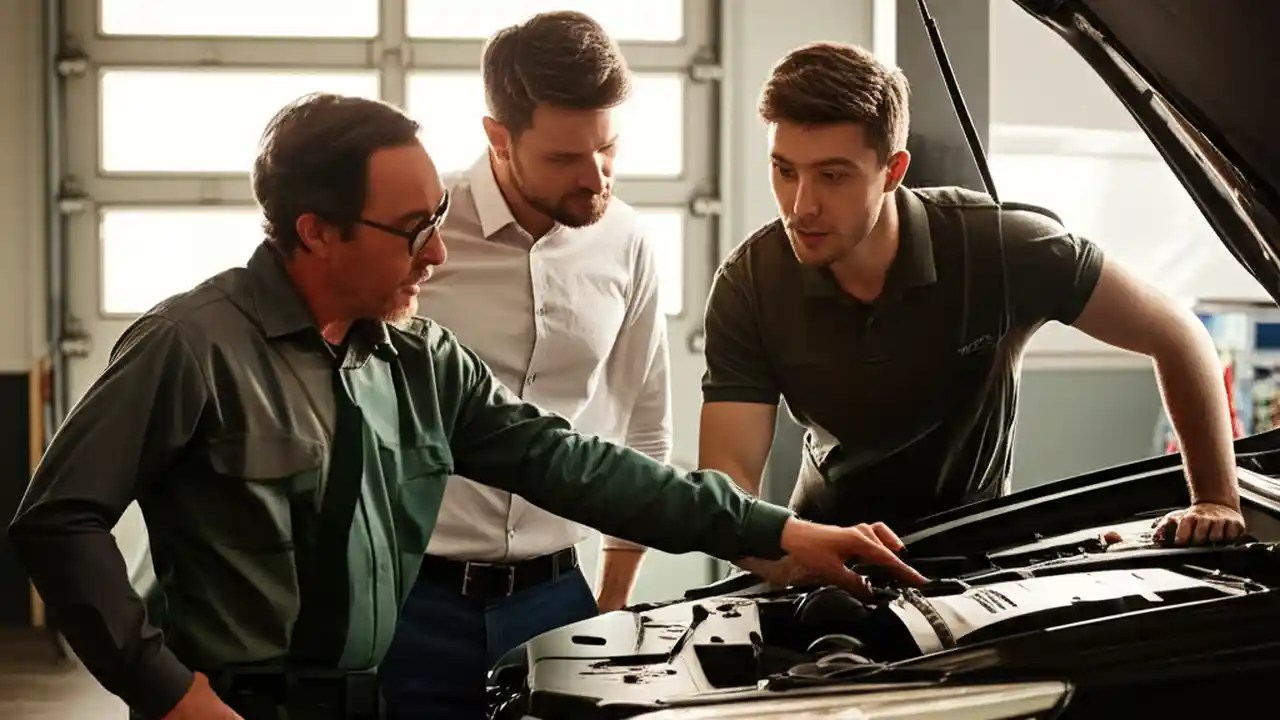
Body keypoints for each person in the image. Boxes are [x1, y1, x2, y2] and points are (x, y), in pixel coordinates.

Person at [7, 92, 926, 720]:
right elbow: (59, 520)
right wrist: (166, 692)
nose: (437, 256)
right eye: (414, 232)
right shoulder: (191, 345)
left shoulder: (418, 359)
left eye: (440, 219)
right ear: (315, 233)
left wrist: (773, 532)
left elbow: (575, 466)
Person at [697, 41, 1248, 587]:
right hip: (823, 557)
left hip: (982, 559)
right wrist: (774, 558)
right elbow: (728, 486)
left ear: (892, 171)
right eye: (784, 170)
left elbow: (1178, 334)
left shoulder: (1004, 248)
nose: (801, 206)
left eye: (832, 176)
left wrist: (1216, 499)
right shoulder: (749, 283)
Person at [376, 11, 664, 718]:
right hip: (410, 603)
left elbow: (642, 424)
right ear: (498, 138)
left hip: (561, 602)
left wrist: (614, 604)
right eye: (566, 159)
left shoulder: (625, 239)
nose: (595, 178)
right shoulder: (422, 231)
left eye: (608, 149)